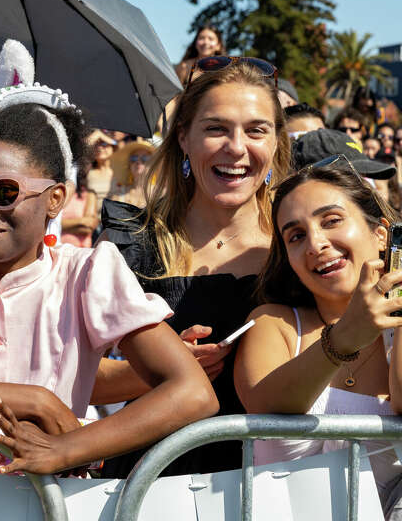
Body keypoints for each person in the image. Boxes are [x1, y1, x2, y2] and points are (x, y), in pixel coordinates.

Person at [0, 76, 218, 475]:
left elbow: (192, 392)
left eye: (4, 192)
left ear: (56, 199)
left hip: (53, 501)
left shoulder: (87, 274)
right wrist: (35, 401)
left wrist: (71, 447)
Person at [235, 157, 402, 519]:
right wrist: (344, 338)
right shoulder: (274, 325)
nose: (315, 243)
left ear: (382, 235)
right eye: (296, 236)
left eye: (331, 221)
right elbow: (264, 405)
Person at [99, 56, 291, 478]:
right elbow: (79, 374)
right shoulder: (130, 241)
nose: (236, 148)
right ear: (183, 138)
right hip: (149, 480)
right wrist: (161, 371)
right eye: (216, 128)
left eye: (256, 130)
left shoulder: (299, 247)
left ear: (277, 142)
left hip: (274, 485)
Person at [108, 138, 153, 207]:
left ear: (153, 164)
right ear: (129, 165)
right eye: (134, 158)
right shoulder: (120, 193)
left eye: (145, 158)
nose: (138, 161)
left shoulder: (160, 194)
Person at [60, 172, 99, 248]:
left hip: (80, 251)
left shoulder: (89, 194)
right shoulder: (57, 194)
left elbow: (88, 226)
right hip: (57, 248)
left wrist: (59, 226)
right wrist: (81, 221)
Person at [85, 130, 116, 213]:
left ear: (113, 148)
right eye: (96, 145)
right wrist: (97, 134)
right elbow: (80, 150)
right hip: (94, 221)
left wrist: (103, 136)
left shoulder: (119, 171)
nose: (100, 148)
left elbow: (117, 144)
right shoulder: (87, 172)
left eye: (104, 144)